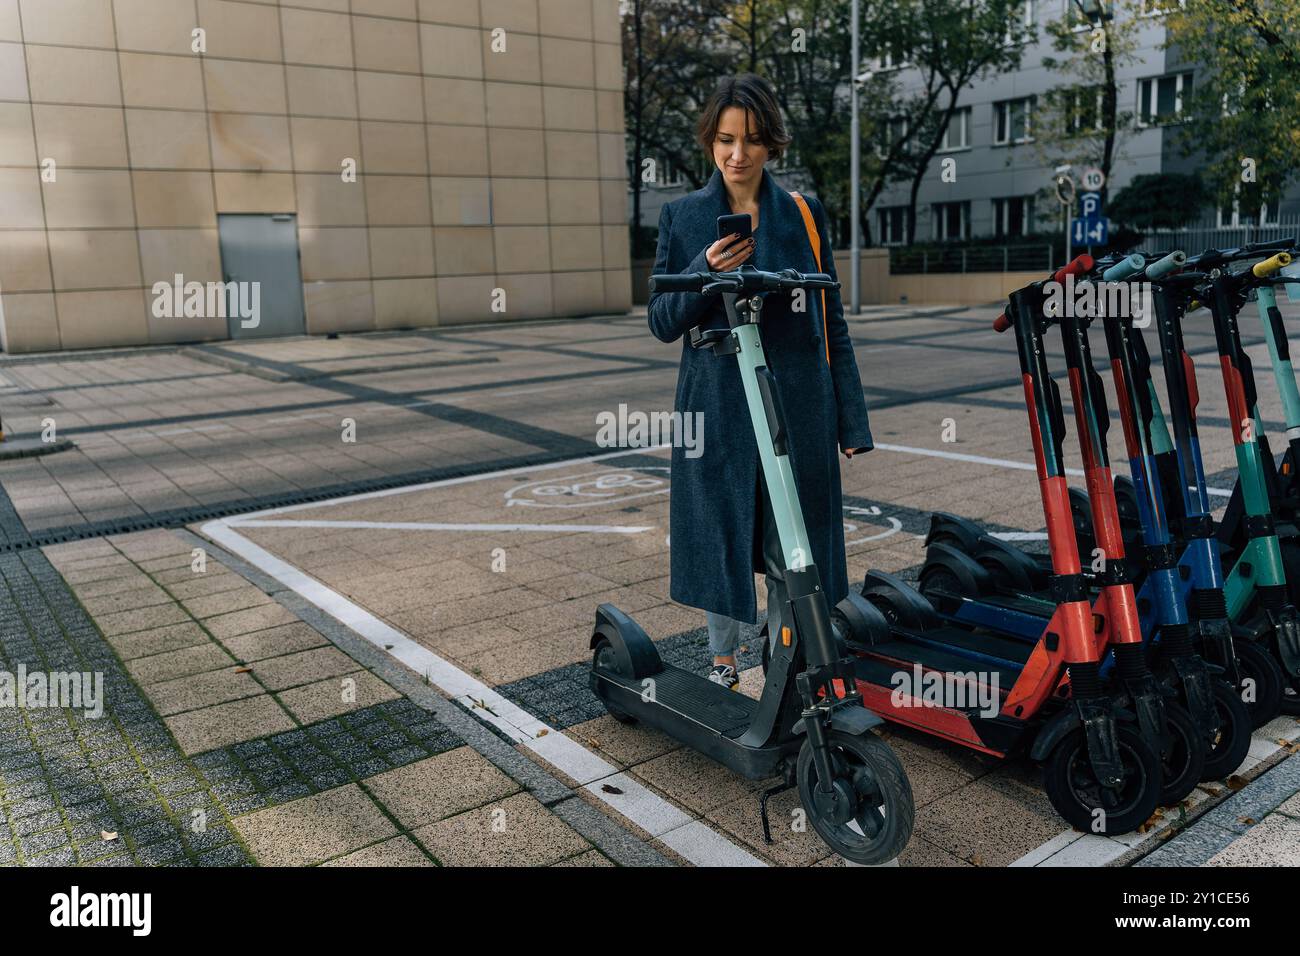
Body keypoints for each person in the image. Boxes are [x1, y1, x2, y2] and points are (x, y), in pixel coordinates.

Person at [646, 74, 874, 689]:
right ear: (709, 143)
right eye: (724, 140)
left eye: (749, 140)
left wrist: (850, 419)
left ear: (771, 143)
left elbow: (833, 323)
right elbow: (661, 322)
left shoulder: (803, 213)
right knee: (721, 536)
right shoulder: (683, 216)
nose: (736, 155)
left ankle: (784, 666)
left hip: (796, 406)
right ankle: (722, 663)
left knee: (790, 545)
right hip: (718, 406)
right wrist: (703, 270)